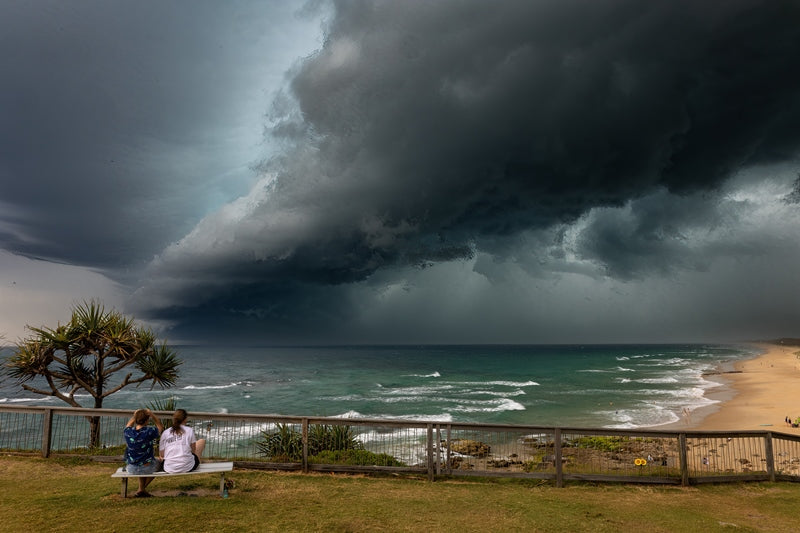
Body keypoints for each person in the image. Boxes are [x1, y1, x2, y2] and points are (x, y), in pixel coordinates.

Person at [123, 408, 164, 497]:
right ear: (147, 421)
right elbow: (160, 427)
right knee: (159, 463)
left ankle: (141, 490)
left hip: (131, 468)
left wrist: (135, 416)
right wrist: (152, 415)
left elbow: (128, 425)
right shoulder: (149, 432)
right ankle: (141, 489)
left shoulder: (128, 432)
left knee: (142, 461)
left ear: (136, 420)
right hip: (147, 467)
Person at [159, 409, 206, 473]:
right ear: (185, 419)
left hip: (169, 468)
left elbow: (162, 454)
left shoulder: (165, 432)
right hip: (187, 467)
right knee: (201, 444)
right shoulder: (189, 430)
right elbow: (193, 450)